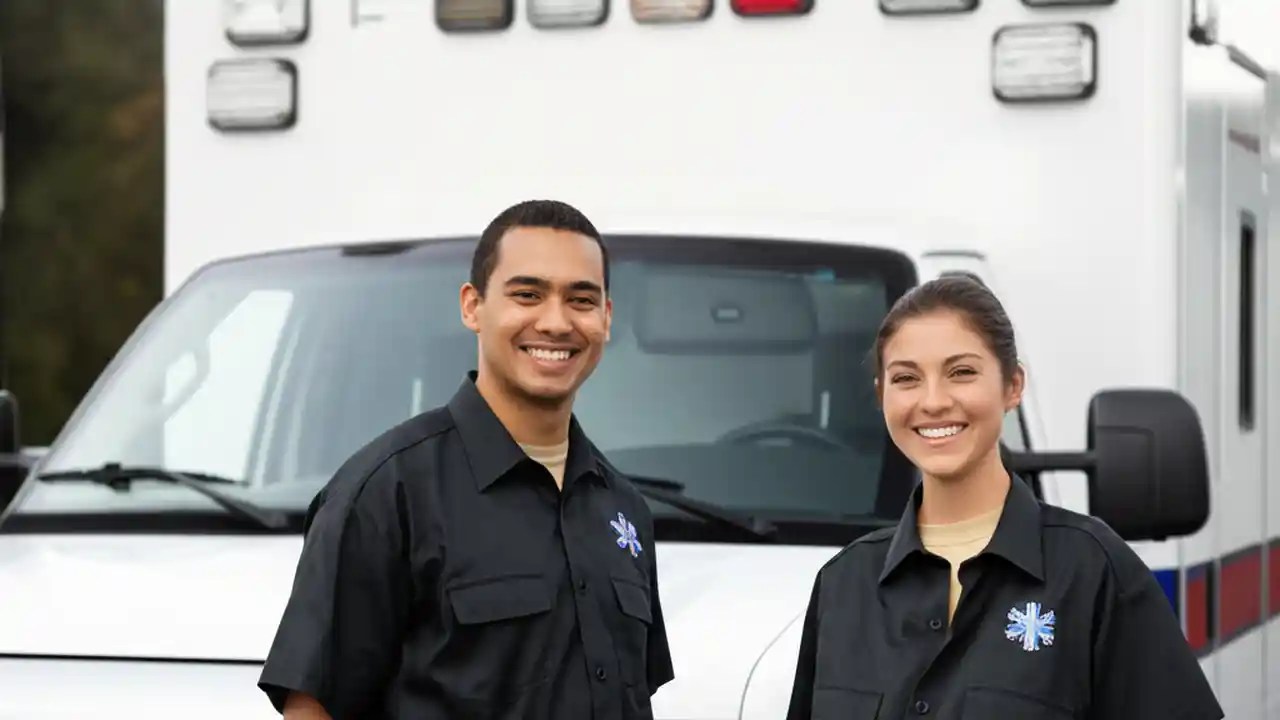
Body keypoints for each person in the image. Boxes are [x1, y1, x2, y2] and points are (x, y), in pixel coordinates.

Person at [257, 199, 675, 719]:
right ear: (473, 306)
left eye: (582, 300)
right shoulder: (387, 492)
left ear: (606, 318)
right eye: (527, 294)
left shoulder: (623, 509)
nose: (556, 321)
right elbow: (312, 709)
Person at [785, 275, 1222, 720]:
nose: (932, 401)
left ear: (1012, 386)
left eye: (961, 372)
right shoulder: (842, 585)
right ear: (882, 395)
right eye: (906, 378)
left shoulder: (1091, 572)